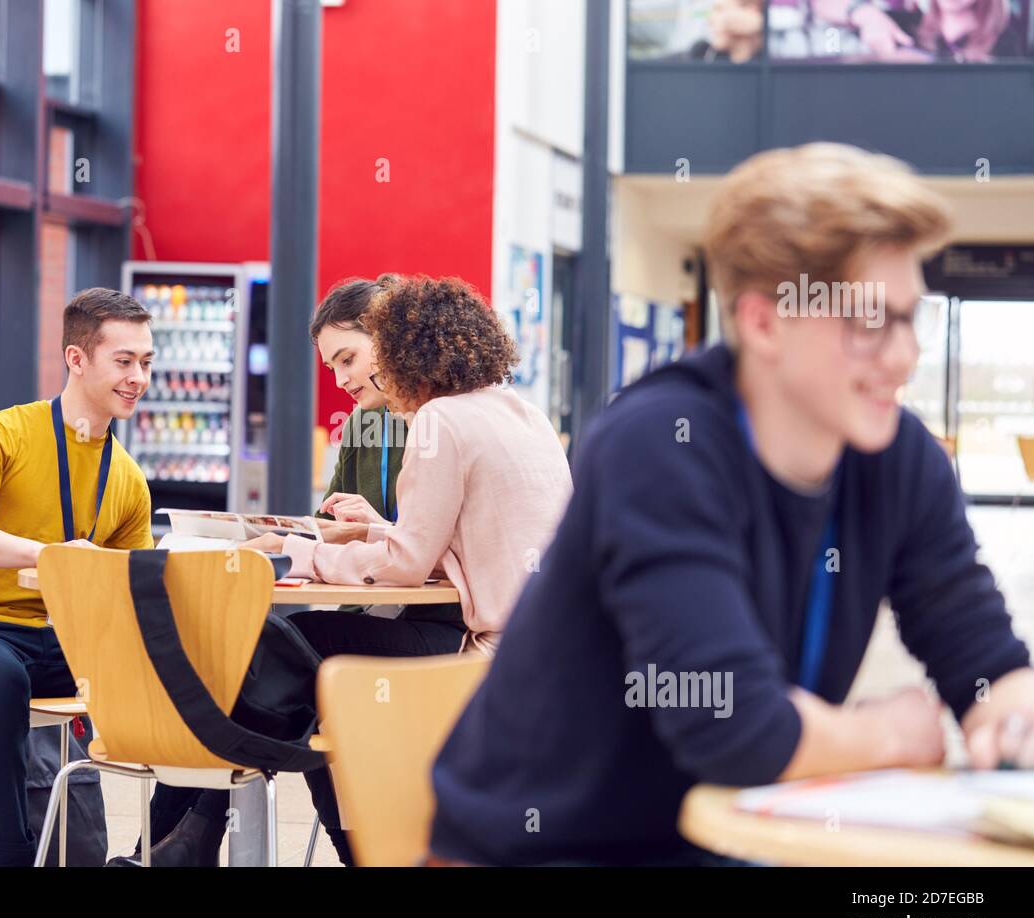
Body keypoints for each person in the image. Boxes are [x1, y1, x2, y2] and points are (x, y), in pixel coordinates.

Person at [427, 142, 1034, 866]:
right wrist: (893, 733)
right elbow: (735, 728)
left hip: (732, 846)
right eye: (871, 321)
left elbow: (985, 660)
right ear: (764, 322)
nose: (903, 356)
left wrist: (1011, 710)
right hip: (548, 851)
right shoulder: (658, 444)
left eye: (912, 320)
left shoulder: (897, 457)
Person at [123, 274, 574, 867]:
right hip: (544, 658)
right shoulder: (524, 414)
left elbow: (409, 566)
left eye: (359, 358)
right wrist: (371, 532)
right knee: (307, 679)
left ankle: (190, 842)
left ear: (403, 349)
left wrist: (299, 552)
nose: (355, 379)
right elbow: (463, 544)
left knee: (292, 655)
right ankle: (202, 842)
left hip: (479, 658)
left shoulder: (441, 421)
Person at [0, 288, 155, 867]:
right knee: (2, 682)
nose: (138, 378)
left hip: (64, 639)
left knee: (195, 678)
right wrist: (52, 554)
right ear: (77, 359)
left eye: (146, 363)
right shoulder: (0, 433)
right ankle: (4, 858)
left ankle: (173, 844)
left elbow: (130, 588)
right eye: (123, 361)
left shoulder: (127, 479)